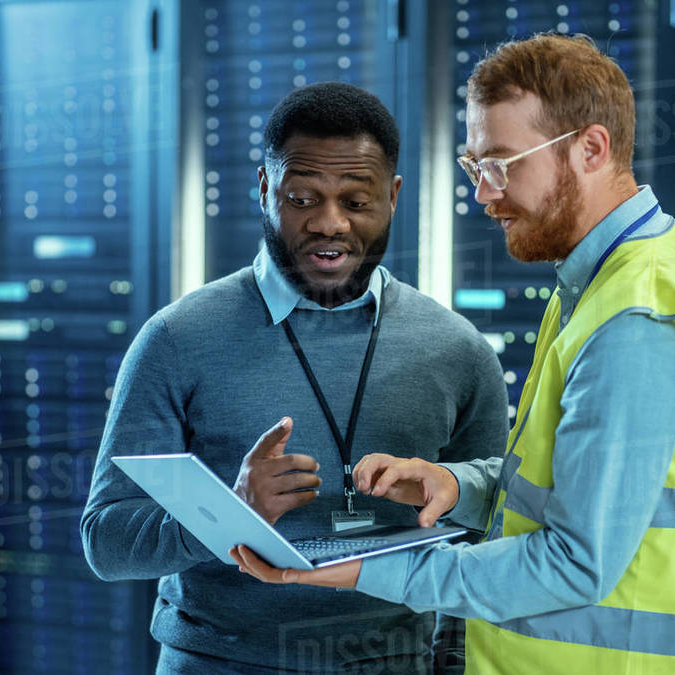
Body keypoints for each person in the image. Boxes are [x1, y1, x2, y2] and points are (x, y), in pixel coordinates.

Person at [231, 34, 675, 674]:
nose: (484, 193)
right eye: (475, 166)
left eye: (503, 164)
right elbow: (571, 491)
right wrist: (458, 486)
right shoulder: (609, 280)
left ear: (591, 149)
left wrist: (364, 568)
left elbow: (574, 564)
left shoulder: (634, 320)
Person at [80, 81, 509, 674]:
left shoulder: (458, 350)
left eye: (355, 201)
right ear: (265, 189)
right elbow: (105, 542)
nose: (330, 223)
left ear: (393, 196)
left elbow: (493, 538)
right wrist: (227, 515)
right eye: (303, 198)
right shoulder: (176, 339)